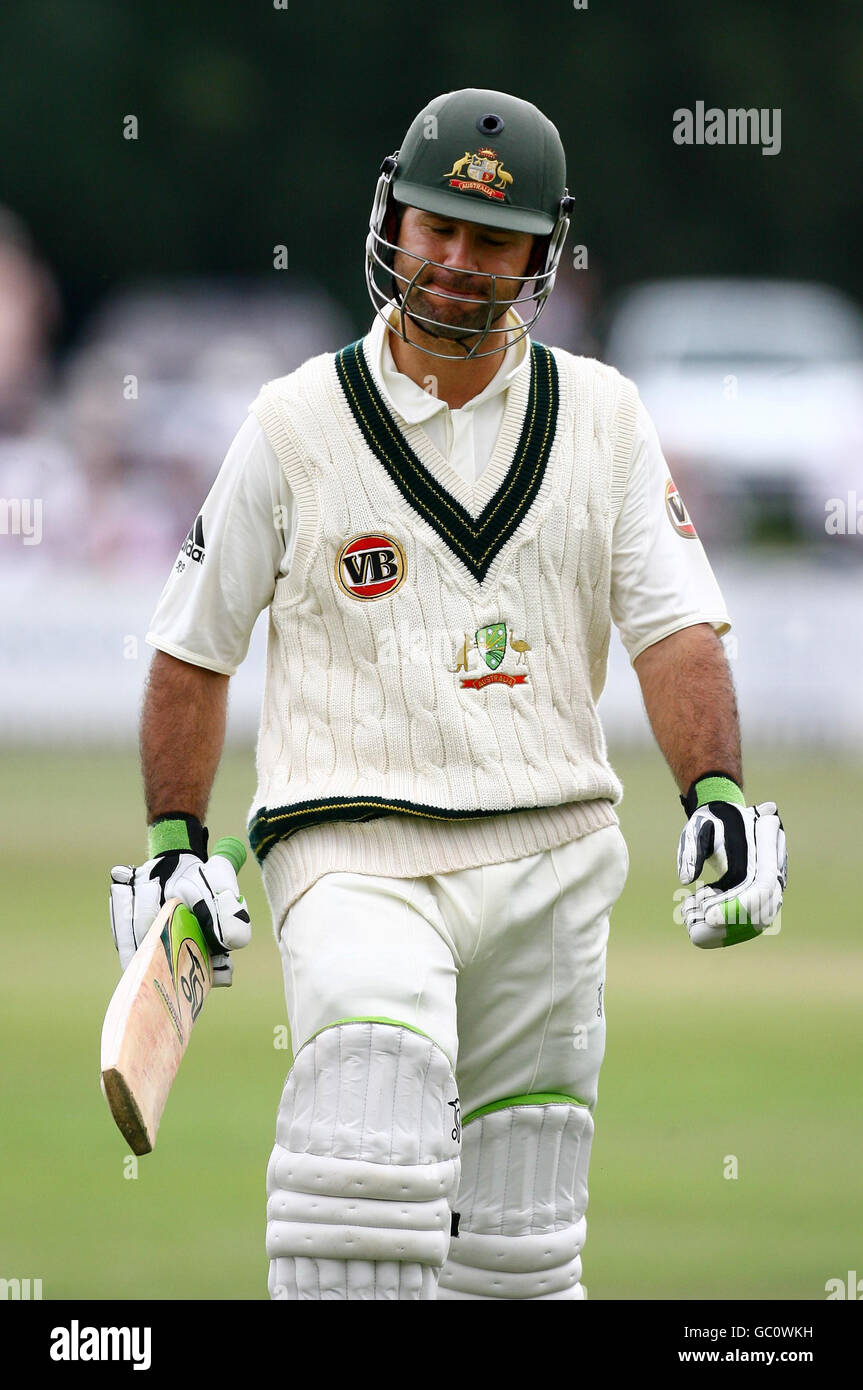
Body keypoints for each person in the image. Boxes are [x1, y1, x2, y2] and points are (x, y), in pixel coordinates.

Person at [108, 88, 787, 1301]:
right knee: (359, 1169)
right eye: (433, 228)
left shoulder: (605, 419)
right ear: (393, 218)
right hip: (352, 845)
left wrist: (718, 798)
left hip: (553, 852)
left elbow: (675, 630)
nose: (453, 262)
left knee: (516, 1255)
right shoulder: (293, 423)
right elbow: (191, 650)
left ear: (539, 253)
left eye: (489, 241)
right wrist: (173, 847)